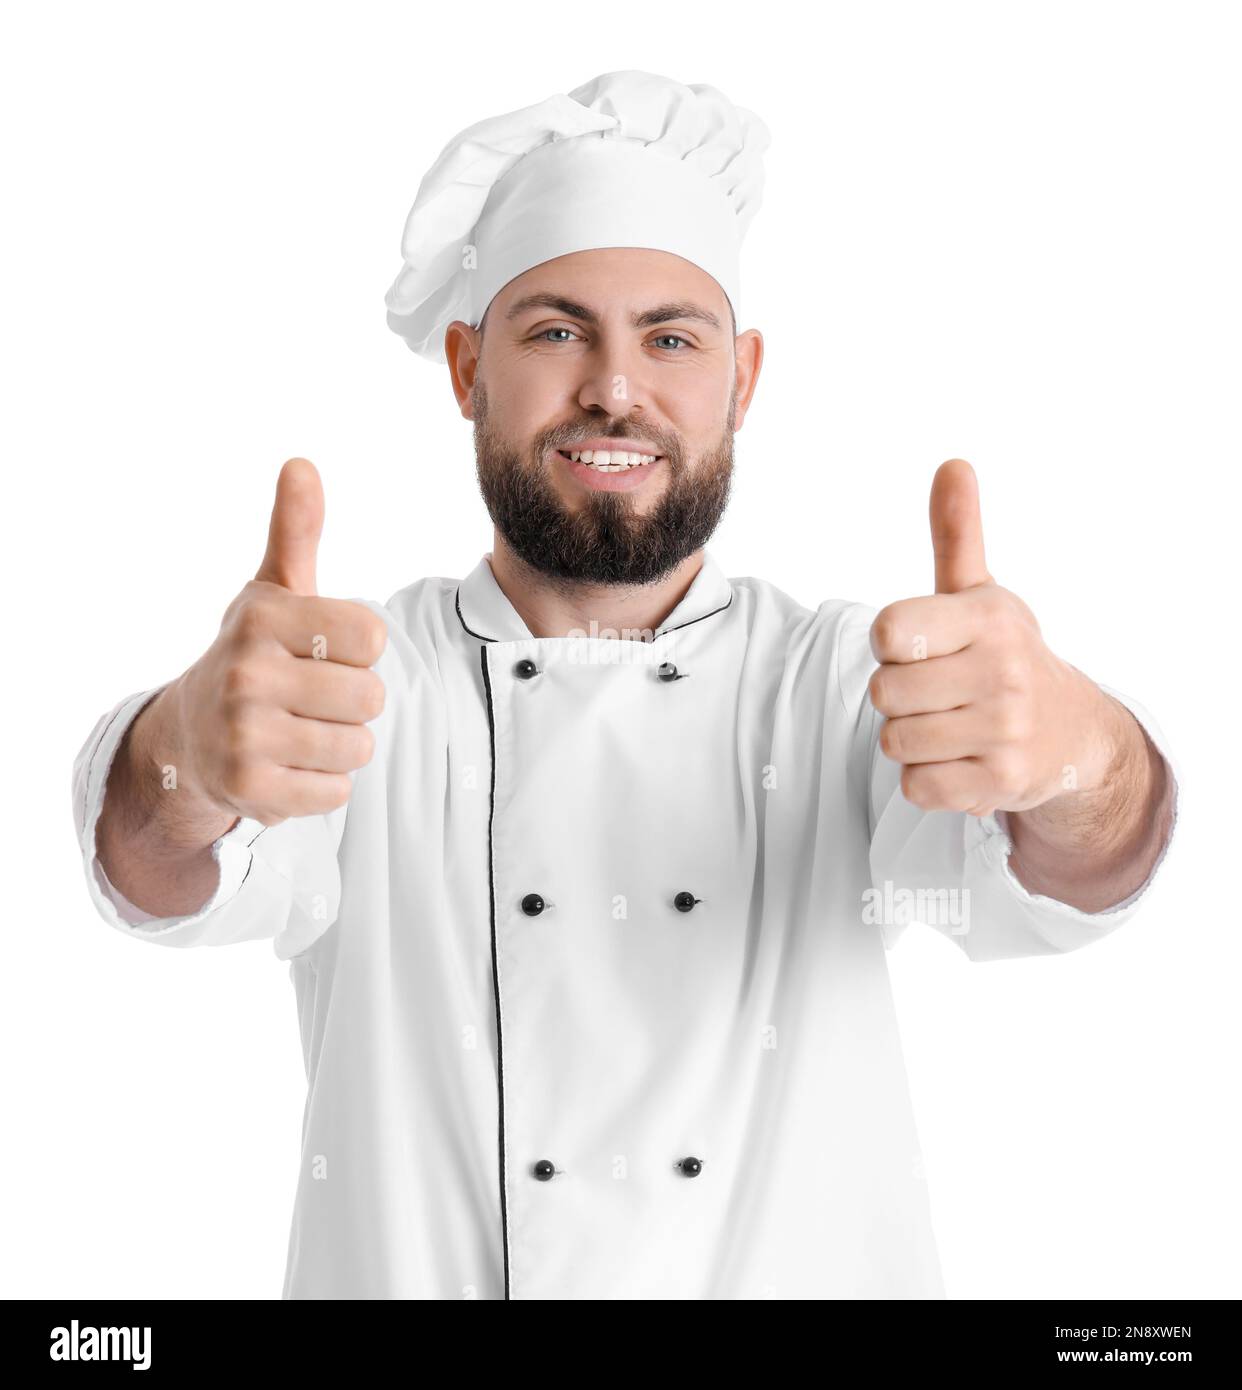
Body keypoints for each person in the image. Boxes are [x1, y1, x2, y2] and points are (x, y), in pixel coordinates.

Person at [72, 70, 1178, 1300]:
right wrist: (179, 751)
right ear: (464, 370)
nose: (613, 386)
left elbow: (1069, 876)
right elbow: (154, 873)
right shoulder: (353, 688)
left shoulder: (842, 687)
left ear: (742, 379)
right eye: (554, 331)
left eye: (670, 337)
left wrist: (1081, 754)